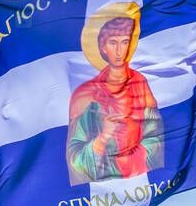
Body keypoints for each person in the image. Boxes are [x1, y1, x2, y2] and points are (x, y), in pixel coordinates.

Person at [67, 16, 163, 185]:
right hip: (104, 187)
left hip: (139, 180)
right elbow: (74, 157)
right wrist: (103, 137)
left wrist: (131, 161)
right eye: (113, 43)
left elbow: (156, 136)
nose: (119, 51)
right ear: (103, 47)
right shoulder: (86, 95)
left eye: (125, 42)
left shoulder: (141, 85)